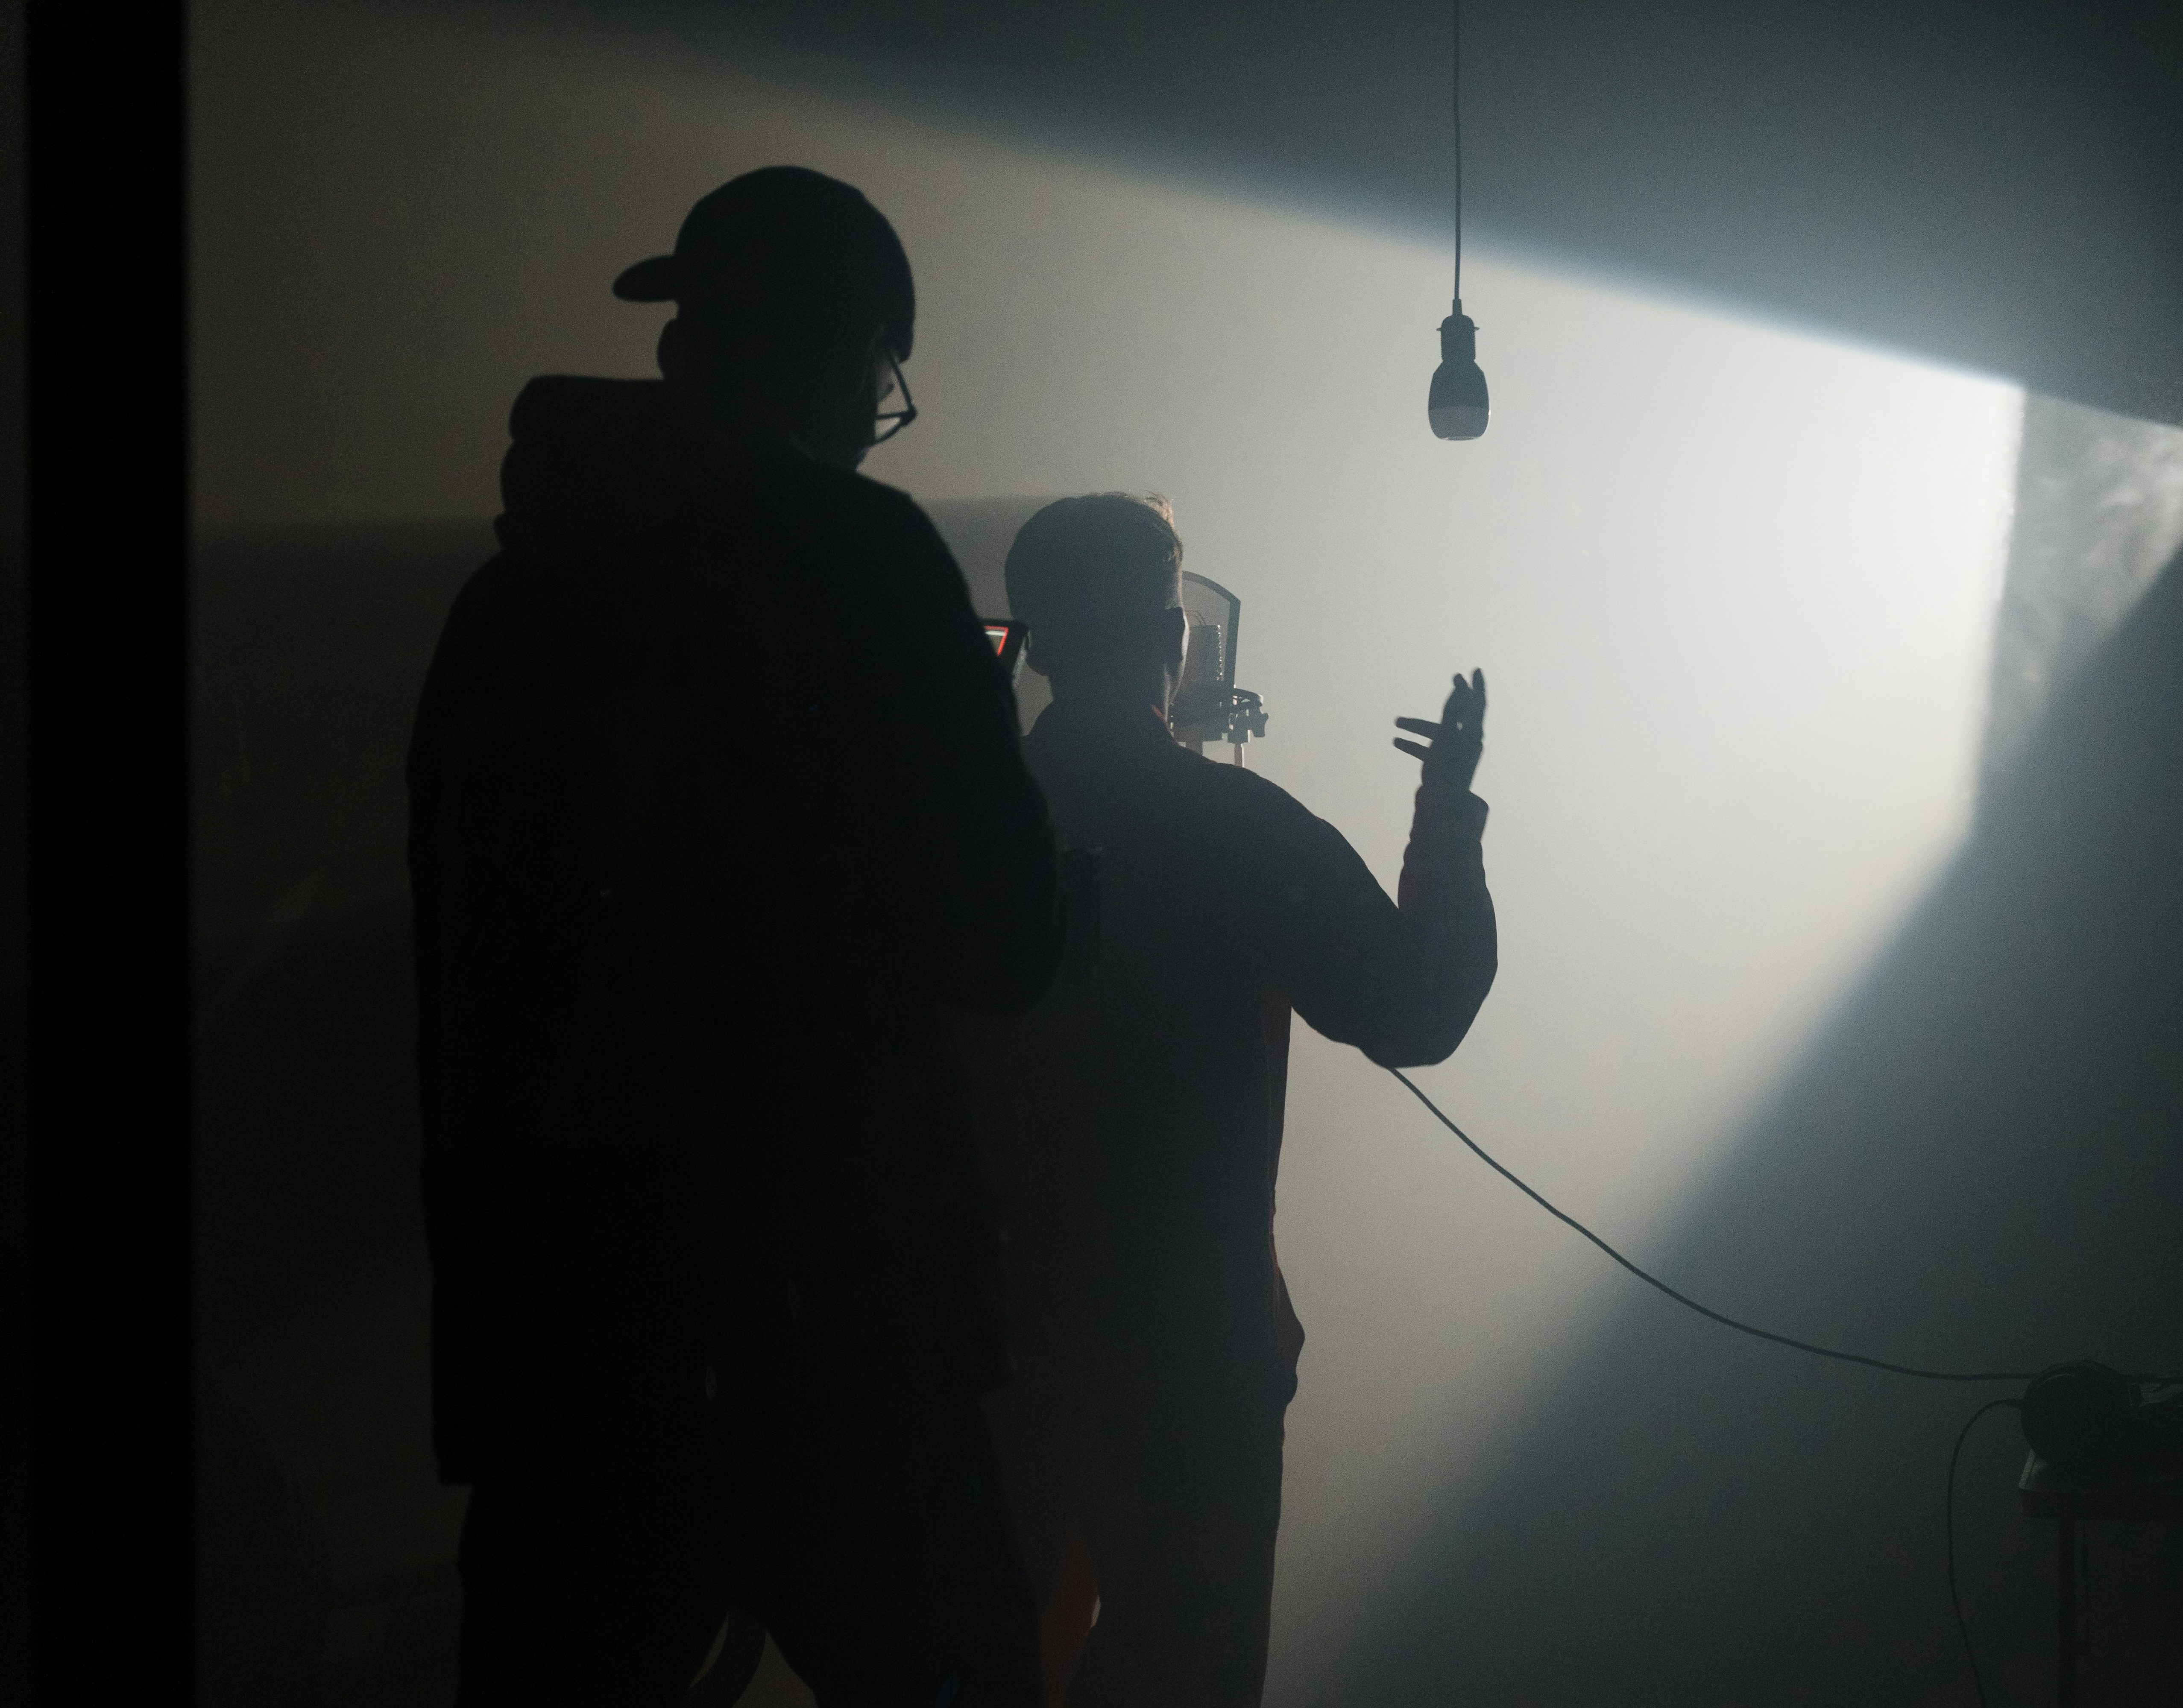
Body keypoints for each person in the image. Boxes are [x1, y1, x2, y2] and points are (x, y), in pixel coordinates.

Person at [406, 167, 1058, 1707]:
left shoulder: (505, 605)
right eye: (882, 380)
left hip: (561, 1340)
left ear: (682, 340)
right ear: (849, 358)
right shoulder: (863, 558)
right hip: (833, 1323)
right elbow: (1003, 941)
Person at [964, 495, 1498, 1708]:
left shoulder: (947, 830)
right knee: (1181, 1673)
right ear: (1177, 638)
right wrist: (1446, 813)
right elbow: (1417, 1010)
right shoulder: (1240, 830)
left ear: (1035, 643)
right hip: (1191, 1351)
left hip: (986, 1342)